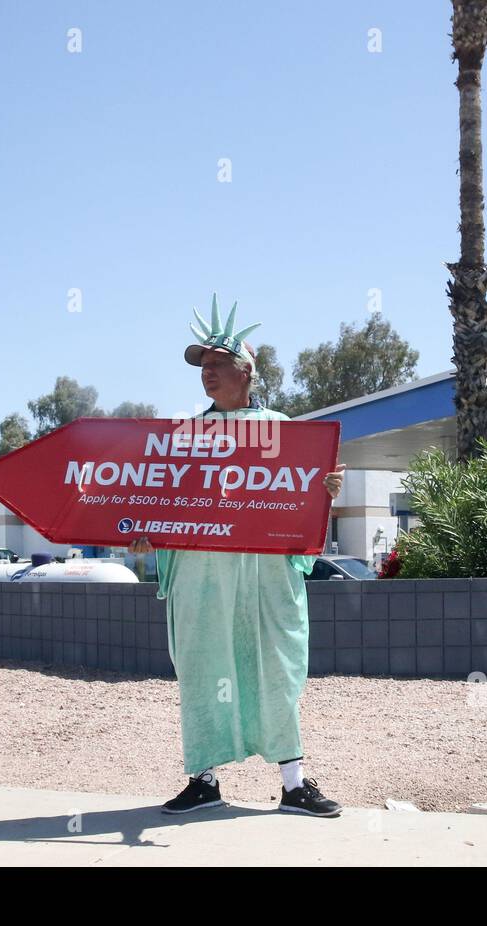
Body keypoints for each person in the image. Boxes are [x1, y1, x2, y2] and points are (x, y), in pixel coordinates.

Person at [131, 295, 346, 817]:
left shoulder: (283, 429)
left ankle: (294, 784)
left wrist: (325, 489)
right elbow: (161, 498)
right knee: (204, 667)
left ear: (245, 370)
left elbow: (298, 497)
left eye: (217, 364)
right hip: (202, 577)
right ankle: (203, 780)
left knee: (277, 667)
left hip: (267, 576)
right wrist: (147, 535)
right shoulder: (183, 437)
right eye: (203, 366)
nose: (207, 374)